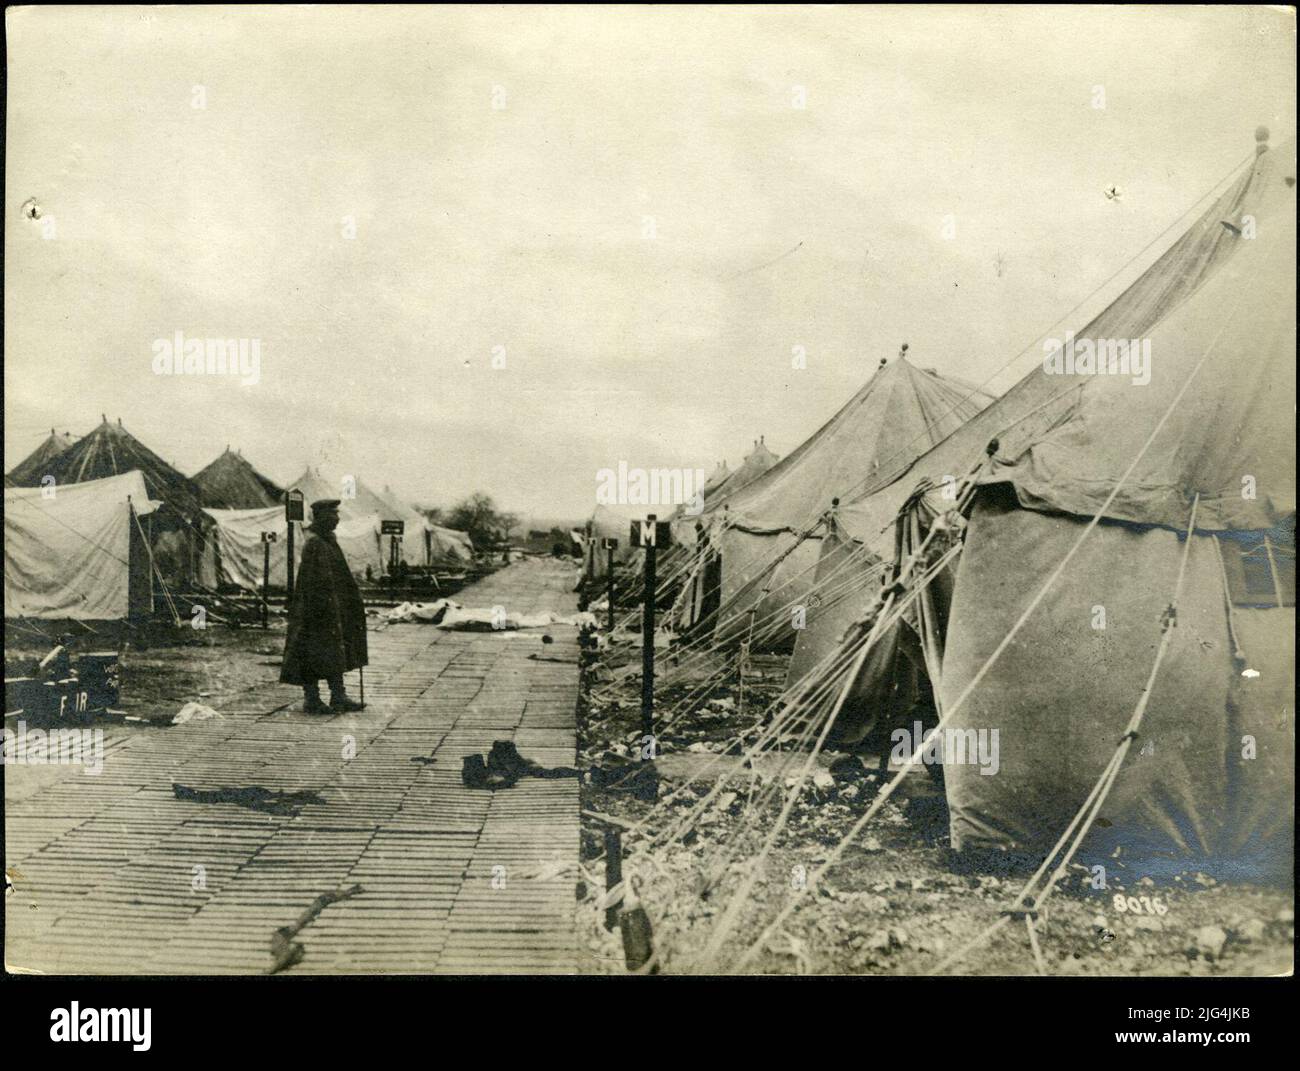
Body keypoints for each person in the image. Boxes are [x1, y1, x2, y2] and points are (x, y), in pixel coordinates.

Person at [280, 498, 367, 714]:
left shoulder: (328, 541)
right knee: (312, 653)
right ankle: (312, 699)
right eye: (333, 514)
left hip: (331, 607)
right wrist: (324, 606)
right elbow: (313, 581)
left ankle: (339, 696)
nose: (337, 518)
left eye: (337, 514)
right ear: (321, 517)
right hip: (316, 611)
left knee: (335, 651)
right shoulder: (315, 543)